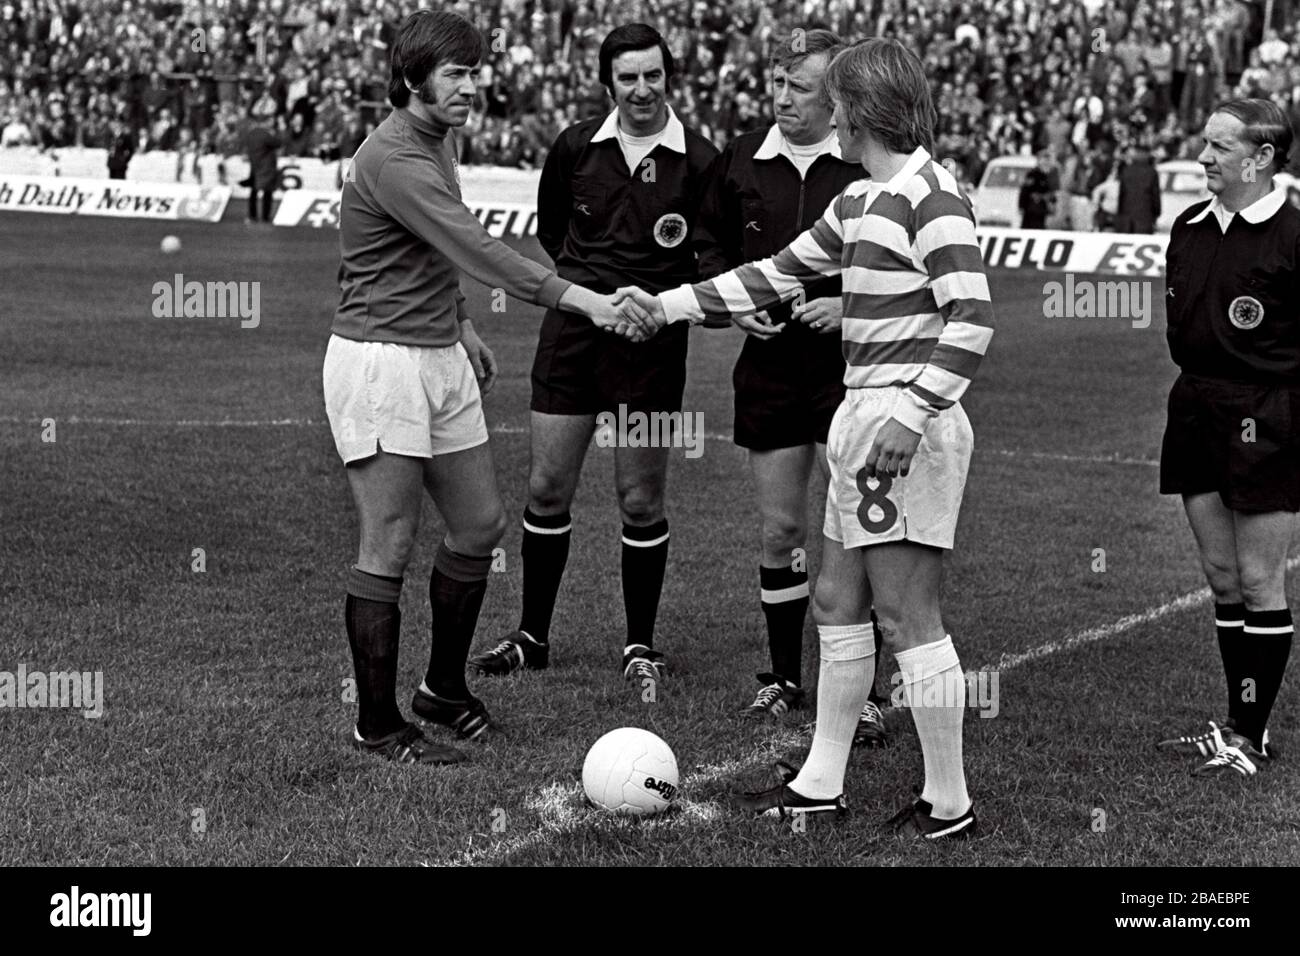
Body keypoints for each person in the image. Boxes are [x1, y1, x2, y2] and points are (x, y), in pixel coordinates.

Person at [619, 38, 994, 838]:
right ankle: (822, 782)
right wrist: (667, 304)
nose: (823, 112)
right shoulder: (861, 201)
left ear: (859, 109)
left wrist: (910, 414)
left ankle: (950, 802)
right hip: (862, 415)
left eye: (833, 100)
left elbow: (972, 316)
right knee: (834, 599)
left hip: (901, 422)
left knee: (905, 616)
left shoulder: (932, 194)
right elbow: (773, 273)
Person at [324, 10, 646, 765]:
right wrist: (589, 300)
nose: (474, 86)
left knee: (477, 527)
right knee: (392, 538)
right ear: (412, 80)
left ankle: (442, 689)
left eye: (476, 71)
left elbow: (433, 251)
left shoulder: (440, 139)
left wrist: (461, 323)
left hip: (435, 350)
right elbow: (475, 246)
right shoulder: (394, 157)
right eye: (457, 74)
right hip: (380, 361)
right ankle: (377, 724)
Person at [466, 23, 718, 687]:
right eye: (629, 78)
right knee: (548, 487)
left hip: (653, 344)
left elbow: (710, 254)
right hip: (574, 335)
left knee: (640, 497)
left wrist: (654, 308)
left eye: (654, 75)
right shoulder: (577, 145)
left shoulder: (700, 159)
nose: (642, 89)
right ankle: (532, 636)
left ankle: (640, 645)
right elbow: (554, 232)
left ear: (671, 77)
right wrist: (592, 296)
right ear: (608, 85)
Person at [692, 28, 889, 744]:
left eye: (798, 88)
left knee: (859, 531)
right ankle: (781, 677)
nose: (781, 99)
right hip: (770, 368)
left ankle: (866, 688)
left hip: (853, 375)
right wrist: (736, 304)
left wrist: (847, 304)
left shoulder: (865, 165)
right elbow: (707, 245)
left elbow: (911, 273)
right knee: (782, 529)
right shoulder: (743, 157)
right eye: (775, 84)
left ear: (837, 94)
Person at [1157, 98, 1298, 778]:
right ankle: (1238, 724)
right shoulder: (1188, 225)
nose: (1204, 157)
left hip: (1267, 415)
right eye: (1204, 143)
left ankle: (1251, 733)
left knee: (1257, 575)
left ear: (1262, 157)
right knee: (1221, 577)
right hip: (1195, 407)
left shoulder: (1294, 234)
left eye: (1218, 147)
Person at [245, 94, 281, 224]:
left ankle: (252, 215)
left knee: (253, 192)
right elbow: (278, 143)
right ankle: (265, 216)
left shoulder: (251, 134)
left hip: (254, 165)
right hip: (266, 166)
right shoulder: (266, 135)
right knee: (267, 193)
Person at [1115, 145, 1161, 233]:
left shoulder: (1126, 170)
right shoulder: (1151, 172)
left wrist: (1120, 215)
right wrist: (1156, 213)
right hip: (1145, 216)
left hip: (1126, 217)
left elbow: (1121, 195)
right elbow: (1155, 196)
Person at [1018, 149, 1058, 228]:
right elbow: (1025, 191)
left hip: (1042, 211)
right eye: (1044, 161)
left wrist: (1053, 202)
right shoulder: (1033, 174)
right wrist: (1021, 206)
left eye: (1048, 161)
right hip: (1032, 211)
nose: (1046, 163)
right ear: (1039, 161)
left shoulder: (1048, 176)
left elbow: (1051, 193)